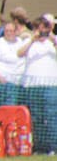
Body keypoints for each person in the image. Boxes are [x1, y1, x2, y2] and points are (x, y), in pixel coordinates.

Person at [17, 14, 57, 153]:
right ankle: (39, 146)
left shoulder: (52, 43)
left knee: (51, 115)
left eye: (43, 29)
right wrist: (32, 40)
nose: (41, 32)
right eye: (39, 29)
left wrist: (51, 36)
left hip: (50, 84)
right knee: (36, 116)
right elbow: (19, 53)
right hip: (32, 85)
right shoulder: (29, 41)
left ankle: (53, 147)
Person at [0, 22, 26, 111]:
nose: (9, 33)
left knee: (13, 111)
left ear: (16, 31)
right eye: (6, 31)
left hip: (17, 84)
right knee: (0, 111)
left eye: (11, 31)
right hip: (2, 84)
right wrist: (0, 78)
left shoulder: (21, 43)